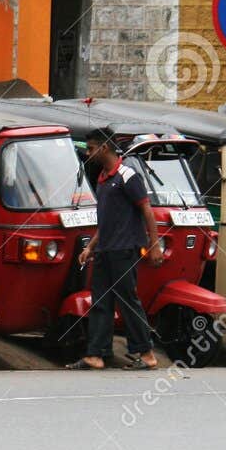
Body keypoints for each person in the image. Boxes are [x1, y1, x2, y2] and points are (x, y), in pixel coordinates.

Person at [68, 129, 162, 371]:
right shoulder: (102, 178)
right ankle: (95, 355)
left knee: (128, 301)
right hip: (105, 251)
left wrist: (154, 246)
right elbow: (107, 220)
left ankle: (147, 353)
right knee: (100, 302)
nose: (88, 153)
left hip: (125, 250)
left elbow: (147, 211)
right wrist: (90, 247)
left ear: (104, 148)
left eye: (91, 148)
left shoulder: (127, 175)